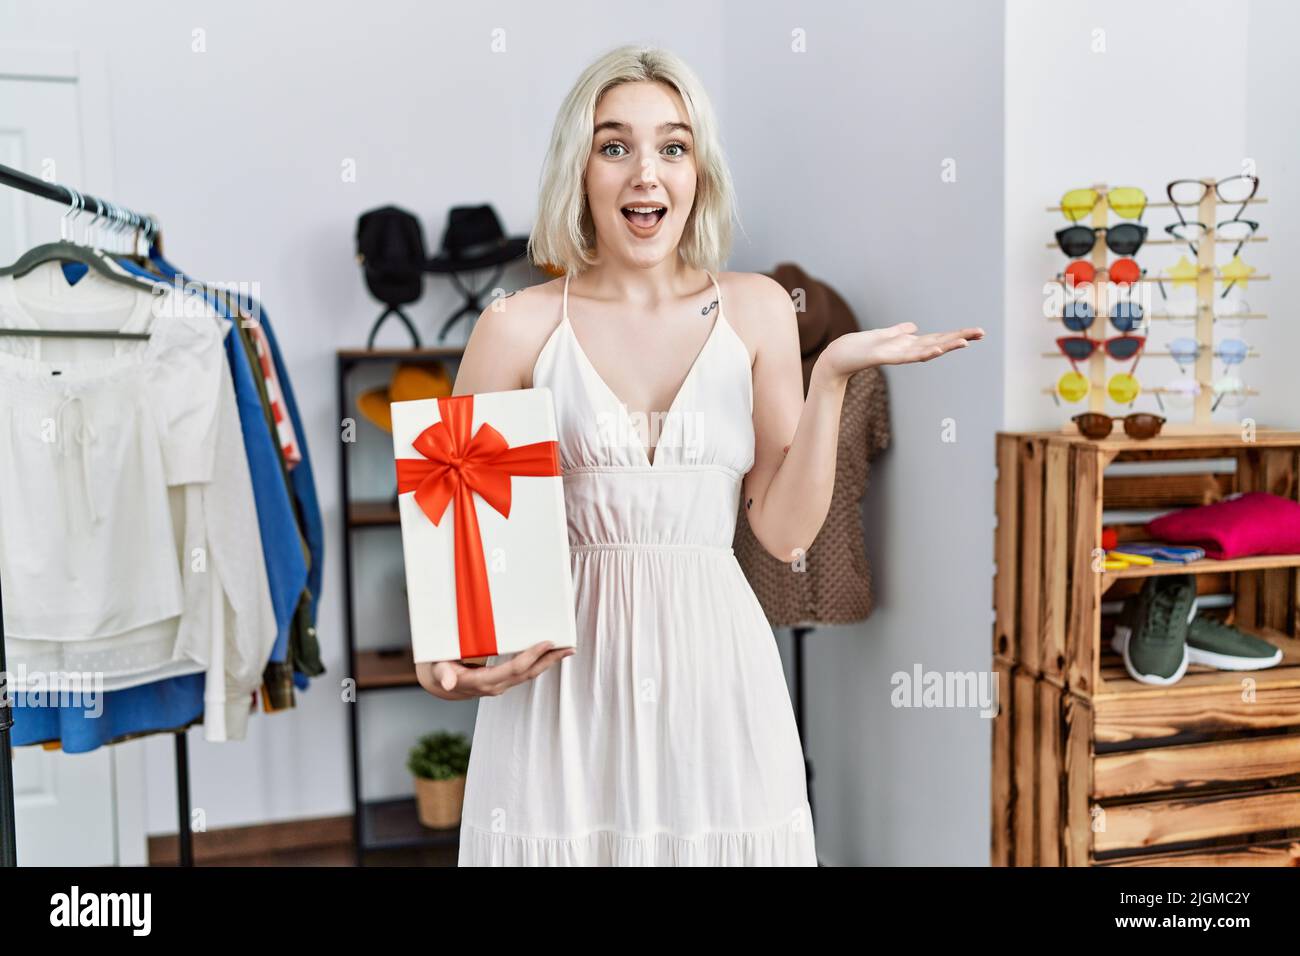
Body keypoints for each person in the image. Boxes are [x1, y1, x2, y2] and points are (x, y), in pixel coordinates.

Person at [415, 44, 983, 866]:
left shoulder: (757, 311)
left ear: (699, 172)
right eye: (615, 146)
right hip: (563, 696)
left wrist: (829, 382)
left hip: (717, 678)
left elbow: (785, 536)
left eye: (672, 147)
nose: (646, 173)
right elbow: (456, 564)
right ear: (580, 171)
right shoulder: (515, 326)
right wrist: (451, 664)